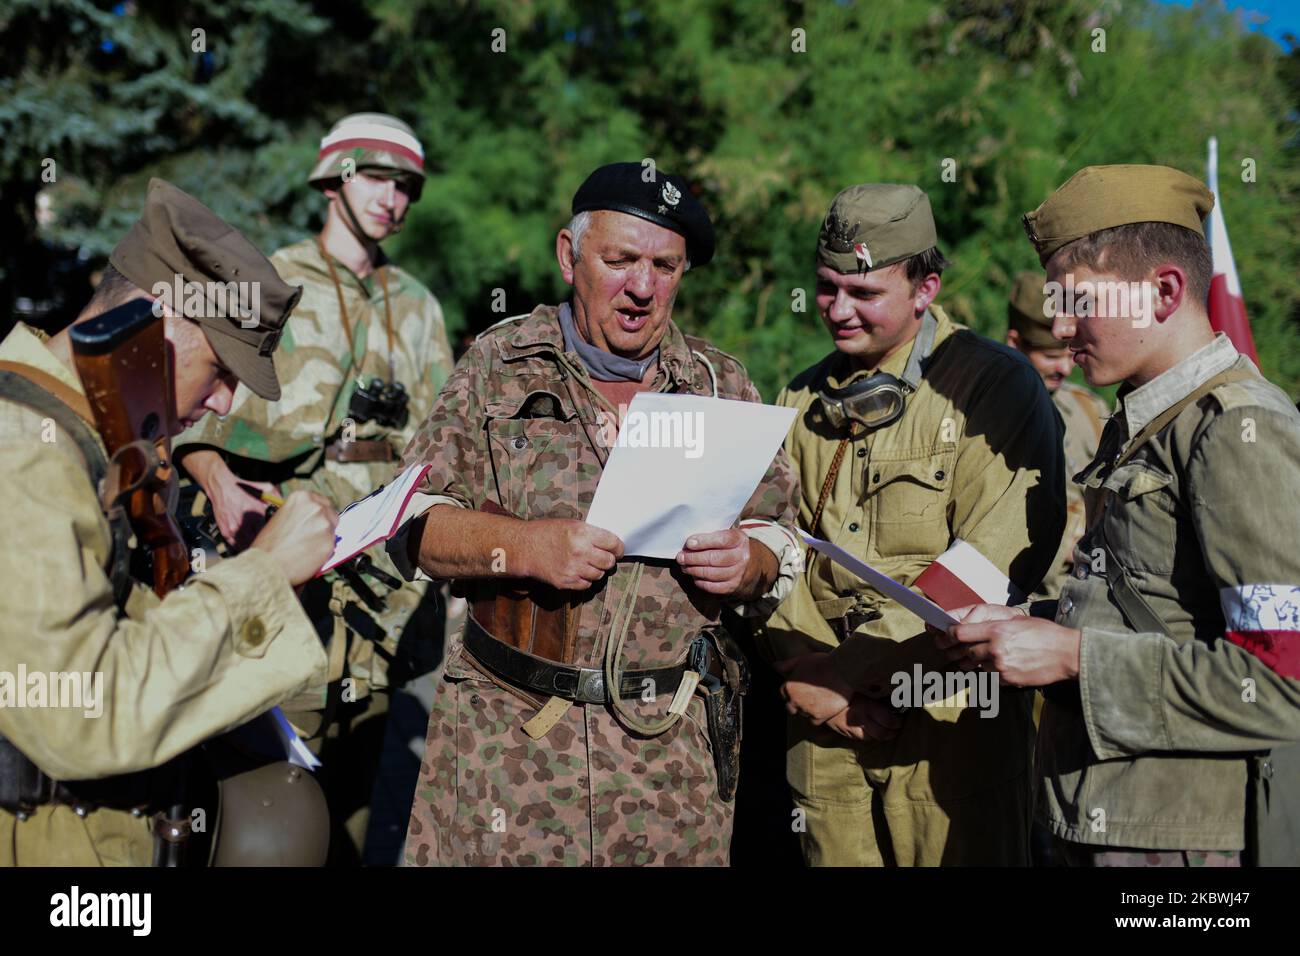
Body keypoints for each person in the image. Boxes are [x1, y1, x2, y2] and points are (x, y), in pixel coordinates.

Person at [395, 162, 802, 866]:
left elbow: (780, 533)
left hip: (667, 760)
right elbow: (414, 523)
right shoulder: (498, 366)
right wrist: (520, 547)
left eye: (664, 267)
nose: (642, 287)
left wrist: (749, 561)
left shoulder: (718, 383)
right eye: (620, 261)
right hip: (510, 754)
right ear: (568, 255)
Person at [938, 163, 1300, 866]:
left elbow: (1282, 678)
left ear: (1163, 291)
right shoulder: (1146, 420)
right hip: (1107, 825)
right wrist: (1037, 627)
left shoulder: (1235, 429)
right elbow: (1161, 616)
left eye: (1078, 301)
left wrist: (1073, 656)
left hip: (1182, 849)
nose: (1061, 326)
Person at [0, 178, 337, 866]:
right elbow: (81, 712)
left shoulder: (92, 434)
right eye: (219, 369)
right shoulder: (26, 453)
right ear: (159, 321)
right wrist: (263, 578)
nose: (223, 402)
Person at [174, 113, 454, 863]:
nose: (392, 200)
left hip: (384, 587)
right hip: (285, 568)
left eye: (406, 188)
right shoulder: (271, 282)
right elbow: (189, 420)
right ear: (335, 178)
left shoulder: (420, 306)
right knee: (278, 790)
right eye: (377, 177)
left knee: (365, 797)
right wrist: (218, 483)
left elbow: (443, 445)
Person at [759, 183, 1066, 866]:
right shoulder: (797, 399)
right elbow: (772, 551)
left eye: (864, 294)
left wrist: (850, 670)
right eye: (827, 288)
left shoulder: (995, 389)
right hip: (824, 729)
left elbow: (992, 560)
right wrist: (815, 684)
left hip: (952, 726)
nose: (838, 310)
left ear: (925, 288)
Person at [1006, 271, 1109, 601]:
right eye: (1051, 356)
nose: (1064, 368)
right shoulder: (986, 413)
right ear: (1015, 343)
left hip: (1078, 597)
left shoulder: (1088, 410)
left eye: (1070, 353)